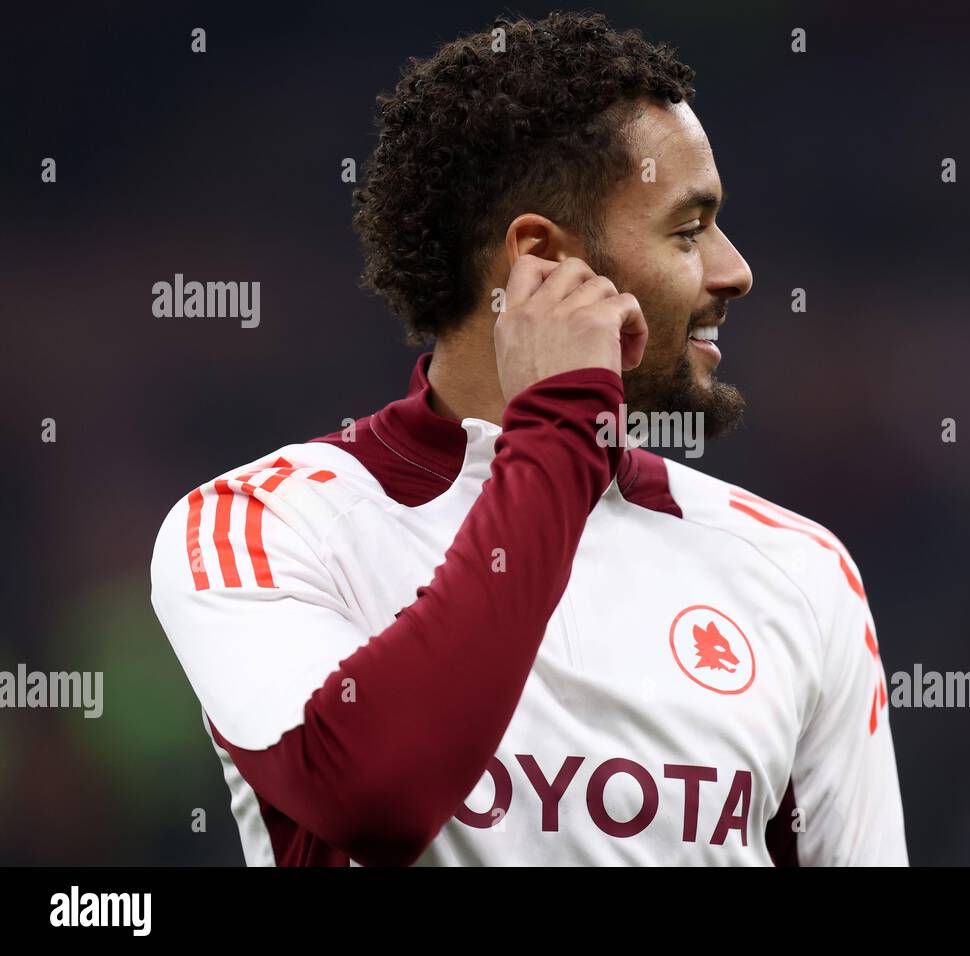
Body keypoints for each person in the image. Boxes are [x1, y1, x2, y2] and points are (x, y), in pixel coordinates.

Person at [150, 11, 906, 866]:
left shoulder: (800, 570)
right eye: (688, 231)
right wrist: (563, 425)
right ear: (542, 257)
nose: (735, 271)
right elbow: (377, 797)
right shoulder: (263, 522)